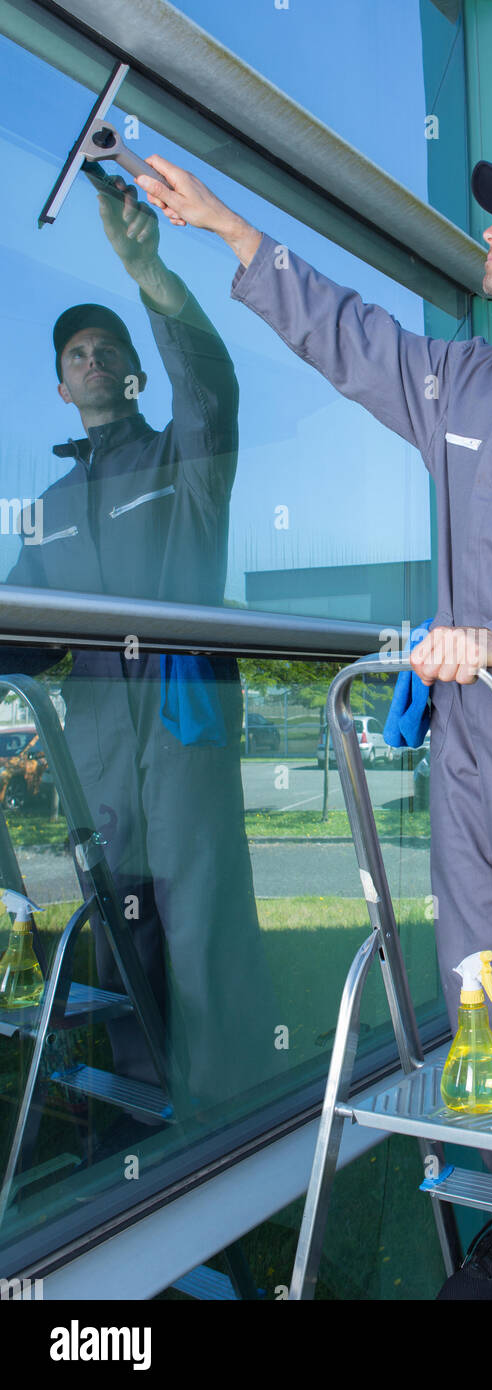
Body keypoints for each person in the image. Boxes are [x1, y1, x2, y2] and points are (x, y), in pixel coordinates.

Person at [135, 151, 492, 1298]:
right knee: (476, 965)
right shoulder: (465, 379)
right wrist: (233, 233)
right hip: (461, 729)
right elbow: (350, 338)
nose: (490, 231)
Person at [1, 176, 280, 1151]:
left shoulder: (181, 461)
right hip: (96, 745)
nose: (90, 360)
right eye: (75, 352)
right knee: (120, 932)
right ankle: (131, 1122)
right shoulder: (48, 509)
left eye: (106, 348)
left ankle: (219, 1125)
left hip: (182, 720)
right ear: (62, 379)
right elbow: (18, 631)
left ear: (131, 373)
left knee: (200, 924)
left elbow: (215, 387)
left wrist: (150, 275)